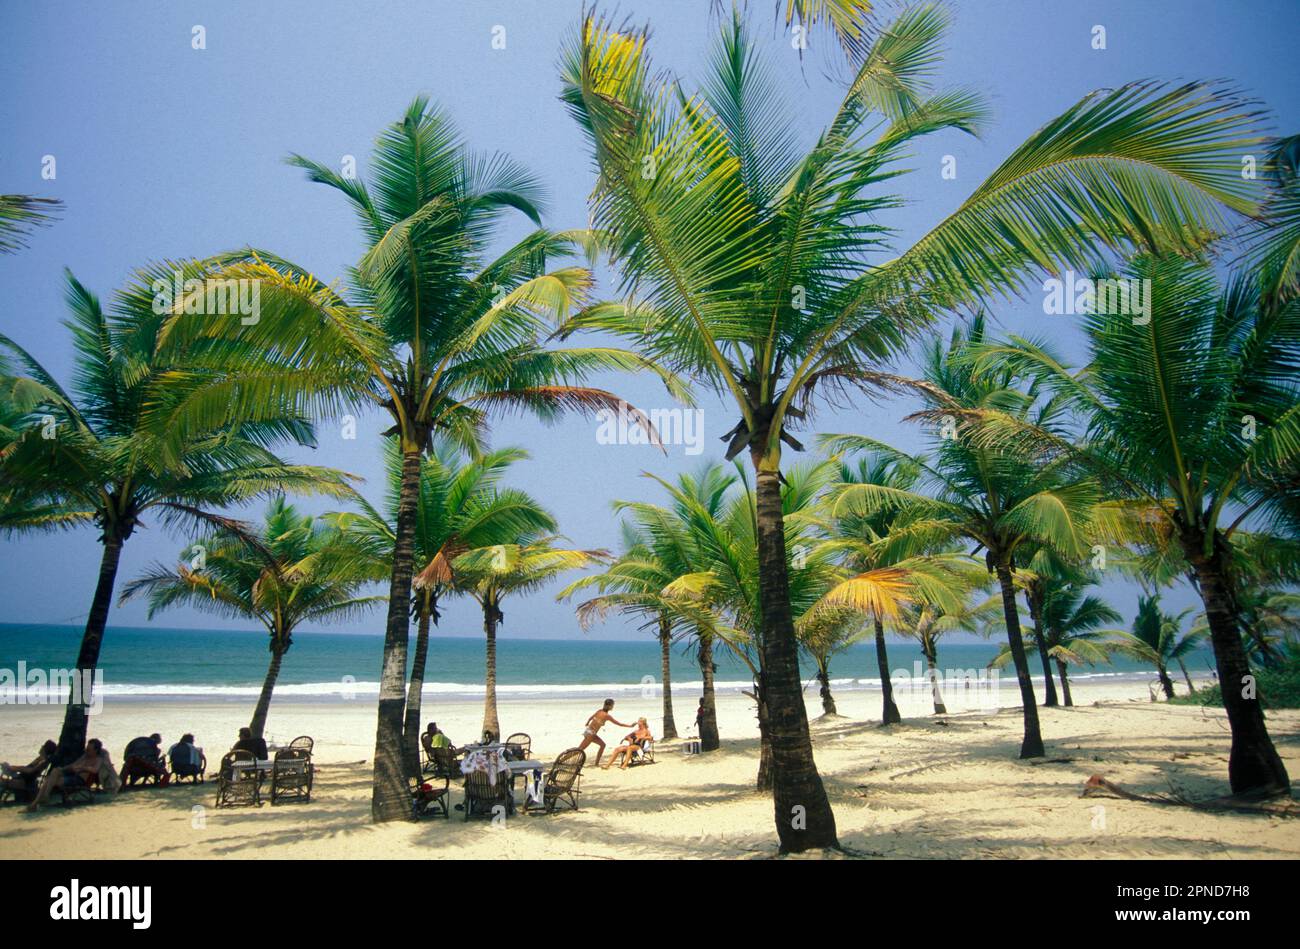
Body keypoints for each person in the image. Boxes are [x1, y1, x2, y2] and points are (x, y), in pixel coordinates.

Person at [27, 739, 116, 810]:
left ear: (95, 750)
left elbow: (95, 770)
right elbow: (73, 764)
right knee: (55, 771)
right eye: (87, 749)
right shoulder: (85, 756)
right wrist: (63, 769)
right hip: (73, 777)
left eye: (89, 749)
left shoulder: (98, 759)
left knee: (49, 779)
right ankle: (42, 798)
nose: (87, 751)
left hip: (80, 781)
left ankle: (36, 803)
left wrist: (82, 768)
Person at [577, 699, 634, 768]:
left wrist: (588, 723)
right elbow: (619, 724)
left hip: (588, 731)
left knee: (602, 745)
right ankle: (561, 760)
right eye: (612, 705)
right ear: (609, 706)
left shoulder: (599, 711)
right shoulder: (607, 716)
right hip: (591, 734)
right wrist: (630, 726)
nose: (613, 707)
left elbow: (590, 718)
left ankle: (596, 763)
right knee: (579, 750)